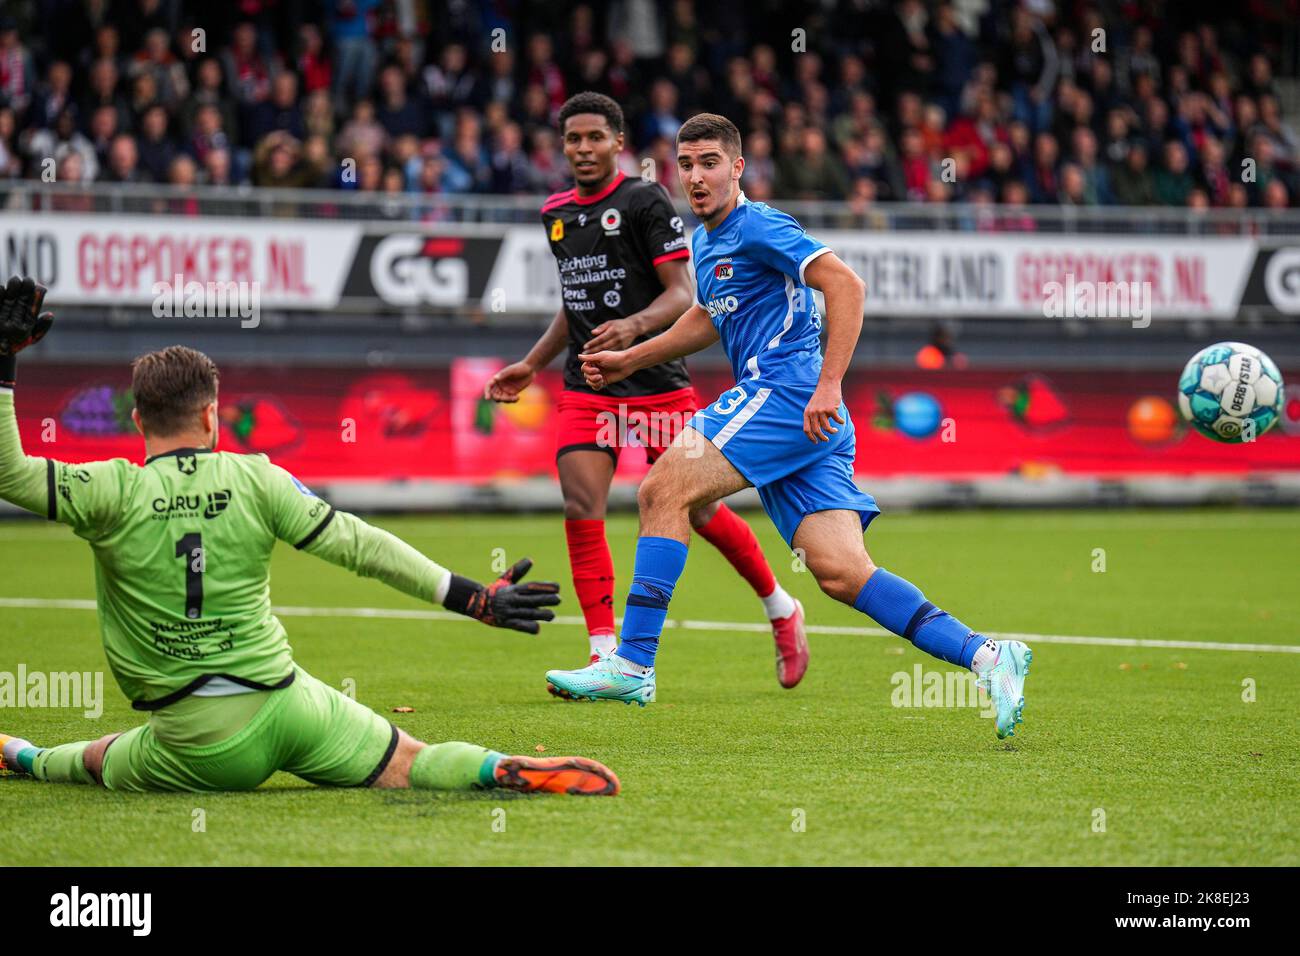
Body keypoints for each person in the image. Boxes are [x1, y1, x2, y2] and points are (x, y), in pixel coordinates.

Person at [0, 278, 618, 794]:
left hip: (199, 737)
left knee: (94, 759)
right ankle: (492, 766)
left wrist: (3, 366)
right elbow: (360, 544)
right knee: (413, 762)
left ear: (138, 420)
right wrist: (470, 596)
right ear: (212, 414)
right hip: (290, 702)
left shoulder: (109, 491)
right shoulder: (258, 478)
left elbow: (12, 473)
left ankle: (23, 755)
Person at [545, 115, 1032, 739]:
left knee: (661, 489)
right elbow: (707, 316)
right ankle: (989, 656)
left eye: (709, 163)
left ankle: (633, 662)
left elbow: (846, 285)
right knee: (840, 573)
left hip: (787, 391)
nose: (695, 176)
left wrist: (829, 384)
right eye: (686, 164)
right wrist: (632, 358)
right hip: (803, 415)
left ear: (737, 167)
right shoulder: (709, 238)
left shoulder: (760, 225)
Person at [485, 93, 808, 696]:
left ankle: (780, 605)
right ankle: (604, 653)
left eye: (595, 138)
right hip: (590, 382)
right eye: (573, 139)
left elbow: (681, 293)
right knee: (582, 505)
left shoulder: (645, 199)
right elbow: (574, 304)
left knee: (696, 508)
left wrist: (634, 329)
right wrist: (532, 363)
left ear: (617, 142)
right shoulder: (555, 212)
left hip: (656, 384)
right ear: (563, 145)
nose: (584, 149)